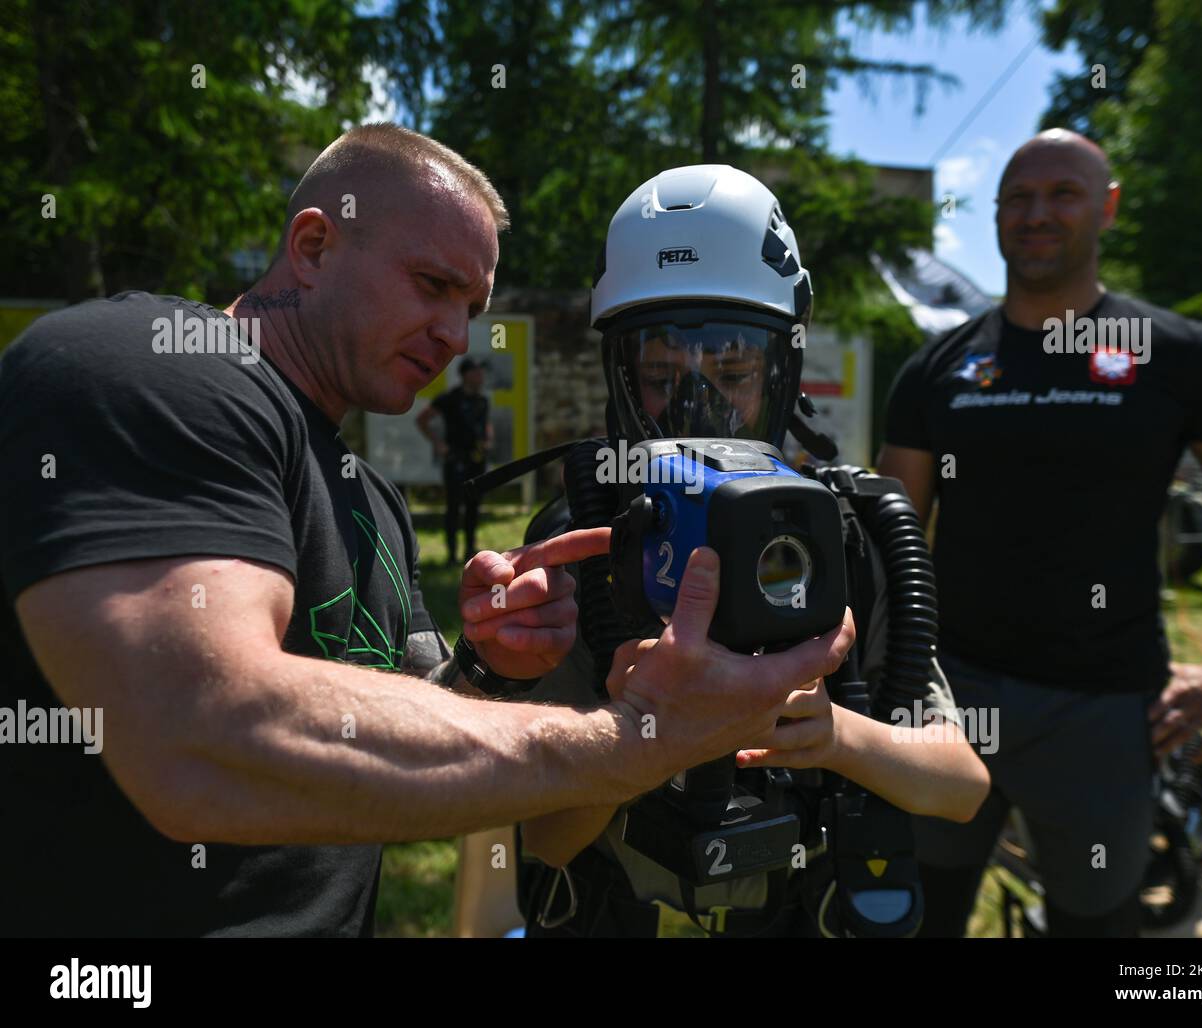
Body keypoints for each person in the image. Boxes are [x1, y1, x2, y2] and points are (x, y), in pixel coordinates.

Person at [0, 124, 855, 937]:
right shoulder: (147, 366)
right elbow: (202, 733)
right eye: (433, 286)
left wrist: (492, 664)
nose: (455, 334)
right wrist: (638, 739)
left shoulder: (368, 494)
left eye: (473, 305)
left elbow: (418, 735)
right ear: (312, 246)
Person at [513, 165, 990, 938]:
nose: (697, 406)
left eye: (731, 372)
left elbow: (960, 786)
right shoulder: (579, 542)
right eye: (662, 376)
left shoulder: (848, 533)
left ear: (782, 372)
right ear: (620, 380)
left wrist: (838, 737)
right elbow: (547, 838)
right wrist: (638, 732)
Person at [877, 128, 1202, 937]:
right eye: (1019, 198)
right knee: (920, 917)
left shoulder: (1176, 356)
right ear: (996, 216)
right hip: (947, 700)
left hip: (1105, 712)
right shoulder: (939, 368)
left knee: (1095, 926)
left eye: (1063, 193)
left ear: (1106, 207)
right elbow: (888, 538)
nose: (1038, 213)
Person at [417, 356, 493, 564]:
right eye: (476, 372)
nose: (481, 376)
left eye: (481, 372)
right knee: (453, 507)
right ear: (465, 374)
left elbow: (486, 424)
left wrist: (488, 439)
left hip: (476, 461)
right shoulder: (449, 398)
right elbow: (422, 419)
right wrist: (438, 444)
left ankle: (470, 550)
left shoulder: (482, 401)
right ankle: (451, 555)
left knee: (473, 506)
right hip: (455, 461)